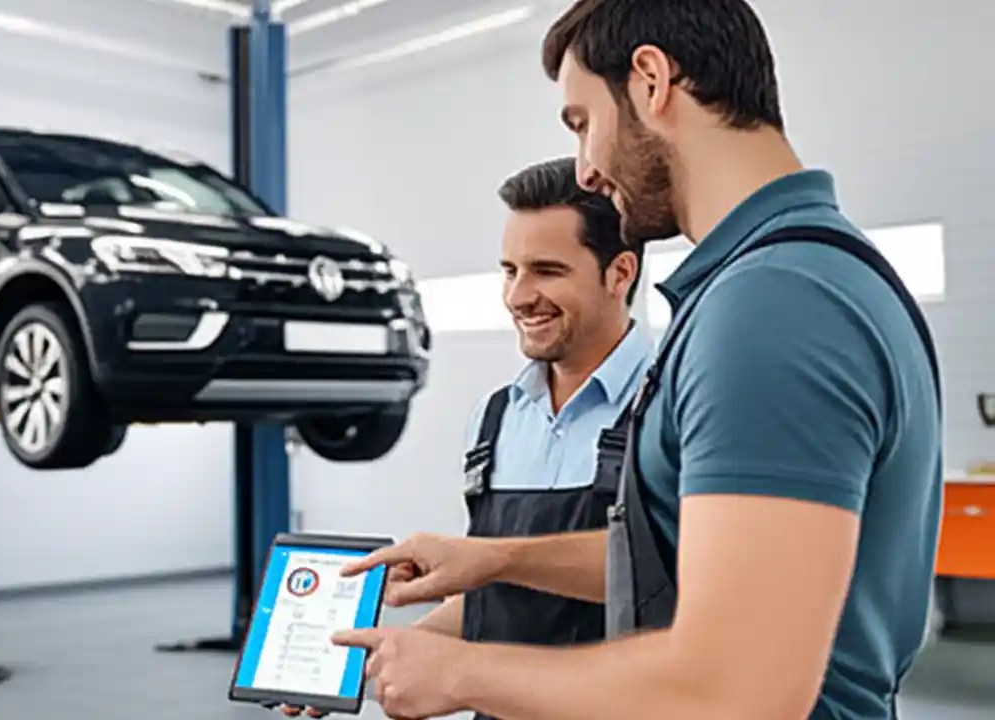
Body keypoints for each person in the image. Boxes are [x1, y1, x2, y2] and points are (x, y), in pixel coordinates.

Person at [331, 1, 943, 719]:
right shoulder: (795, 277)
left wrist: (464, 673)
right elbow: (683, 563)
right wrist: (498, 561)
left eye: (582, 123)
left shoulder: (771, 306)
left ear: (651, 81)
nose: (586, 171)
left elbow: (737, 689)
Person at [280, 158, 648, 719]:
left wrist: (488, 558)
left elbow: (668, 576)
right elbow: (492, 596)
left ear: (619, 273)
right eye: (509, 270)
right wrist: (379, 654)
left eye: (547, 271)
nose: (520, 296)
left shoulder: (668, 406)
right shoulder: (496, 417)